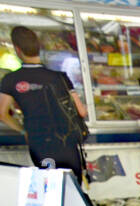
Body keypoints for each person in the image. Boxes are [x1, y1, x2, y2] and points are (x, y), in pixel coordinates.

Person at [0, 26, 88, 183]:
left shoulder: (10, 79)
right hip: (67, 144)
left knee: (49, 188)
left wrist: (22, 130)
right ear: (38, 48)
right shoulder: (59, 77)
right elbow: (81, 112)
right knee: (72, 189)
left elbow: (2, 113)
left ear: (17, 49)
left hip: (40, 144)